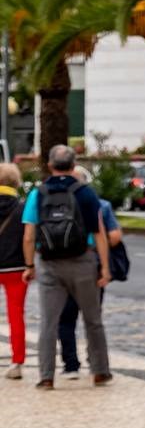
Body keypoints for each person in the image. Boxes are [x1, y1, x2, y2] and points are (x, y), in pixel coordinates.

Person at [20, 145, 112, 389]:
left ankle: (47, 376)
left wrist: (29, 265)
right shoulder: (85, 193)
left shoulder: (38, 193)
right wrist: (104, 267)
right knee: (92, 319)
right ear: (74, 166)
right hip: (83, 262)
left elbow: (29, 235)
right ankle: (100, 371)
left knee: (48, 322)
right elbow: (99, 232)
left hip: (49, 263)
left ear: (50, 165)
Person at [56, 194, 122, 379]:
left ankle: (70, 365)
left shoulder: (53, 202)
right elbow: (115, 236)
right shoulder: (101, 204)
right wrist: (104, 263)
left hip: (60, 265)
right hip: (91, 265)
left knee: (65, 318)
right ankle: (96, 363)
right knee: (93, 319)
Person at [0, 164, 26, 379]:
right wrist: (30, 264)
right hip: (16, 267)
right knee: (16, 315)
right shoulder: (22, 207)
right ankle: (17, 362)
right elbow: (29, 238)